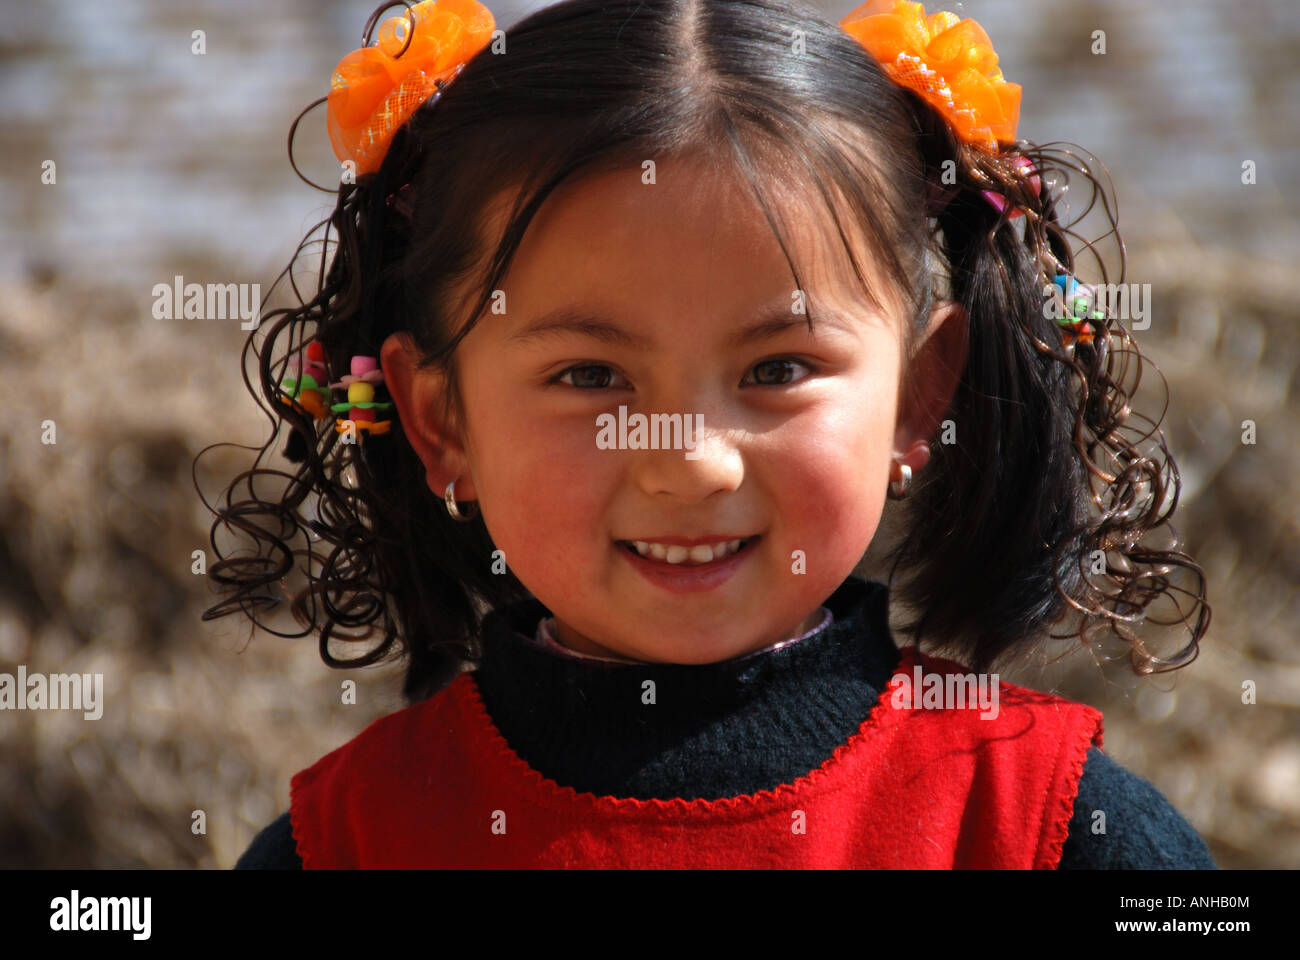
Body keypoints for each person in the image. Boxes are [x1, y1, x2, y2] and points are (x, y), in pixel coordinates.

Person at [200, 0, 1216, 868]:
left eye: (777, 370)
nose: (690, 461)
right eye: (590, 377)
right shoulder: (356, 842)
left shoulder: (1041, 827)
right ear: (441, 420)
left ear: (916, 400)